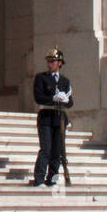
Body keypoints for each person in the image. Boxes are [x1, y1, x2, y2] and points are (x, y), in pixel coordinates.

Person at [29, 47, 73, 188]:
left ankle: (52, 180)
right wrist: (53, 98)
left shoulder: (65, 81)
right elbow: (38, 97)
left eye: (53, 61)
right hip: (46, 117)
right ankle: (39, 179)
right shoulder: (41, 78)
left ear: (60, 63)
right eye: (48, 61)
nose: (50, 64)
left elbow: (71, 102)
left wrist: (66, 100)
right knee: (46, 149)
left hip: (59, 118)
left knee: (57, 151)